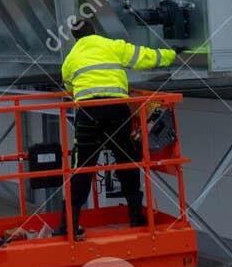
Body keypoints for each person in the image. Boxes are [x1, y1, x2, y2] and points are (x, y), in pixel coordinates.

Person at [56, 17, 177, 237]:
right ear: (94, 30)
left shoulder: (70, 58)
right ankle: (135, 217)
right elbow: (145, 56)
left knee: (82, 166)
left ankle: (69, 225)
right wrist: (173, 54)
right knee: (127, 159)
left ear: (75, 37)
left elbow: (68, 86)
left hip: (88, 113)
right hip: (116, 110)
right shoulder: (112, 46)